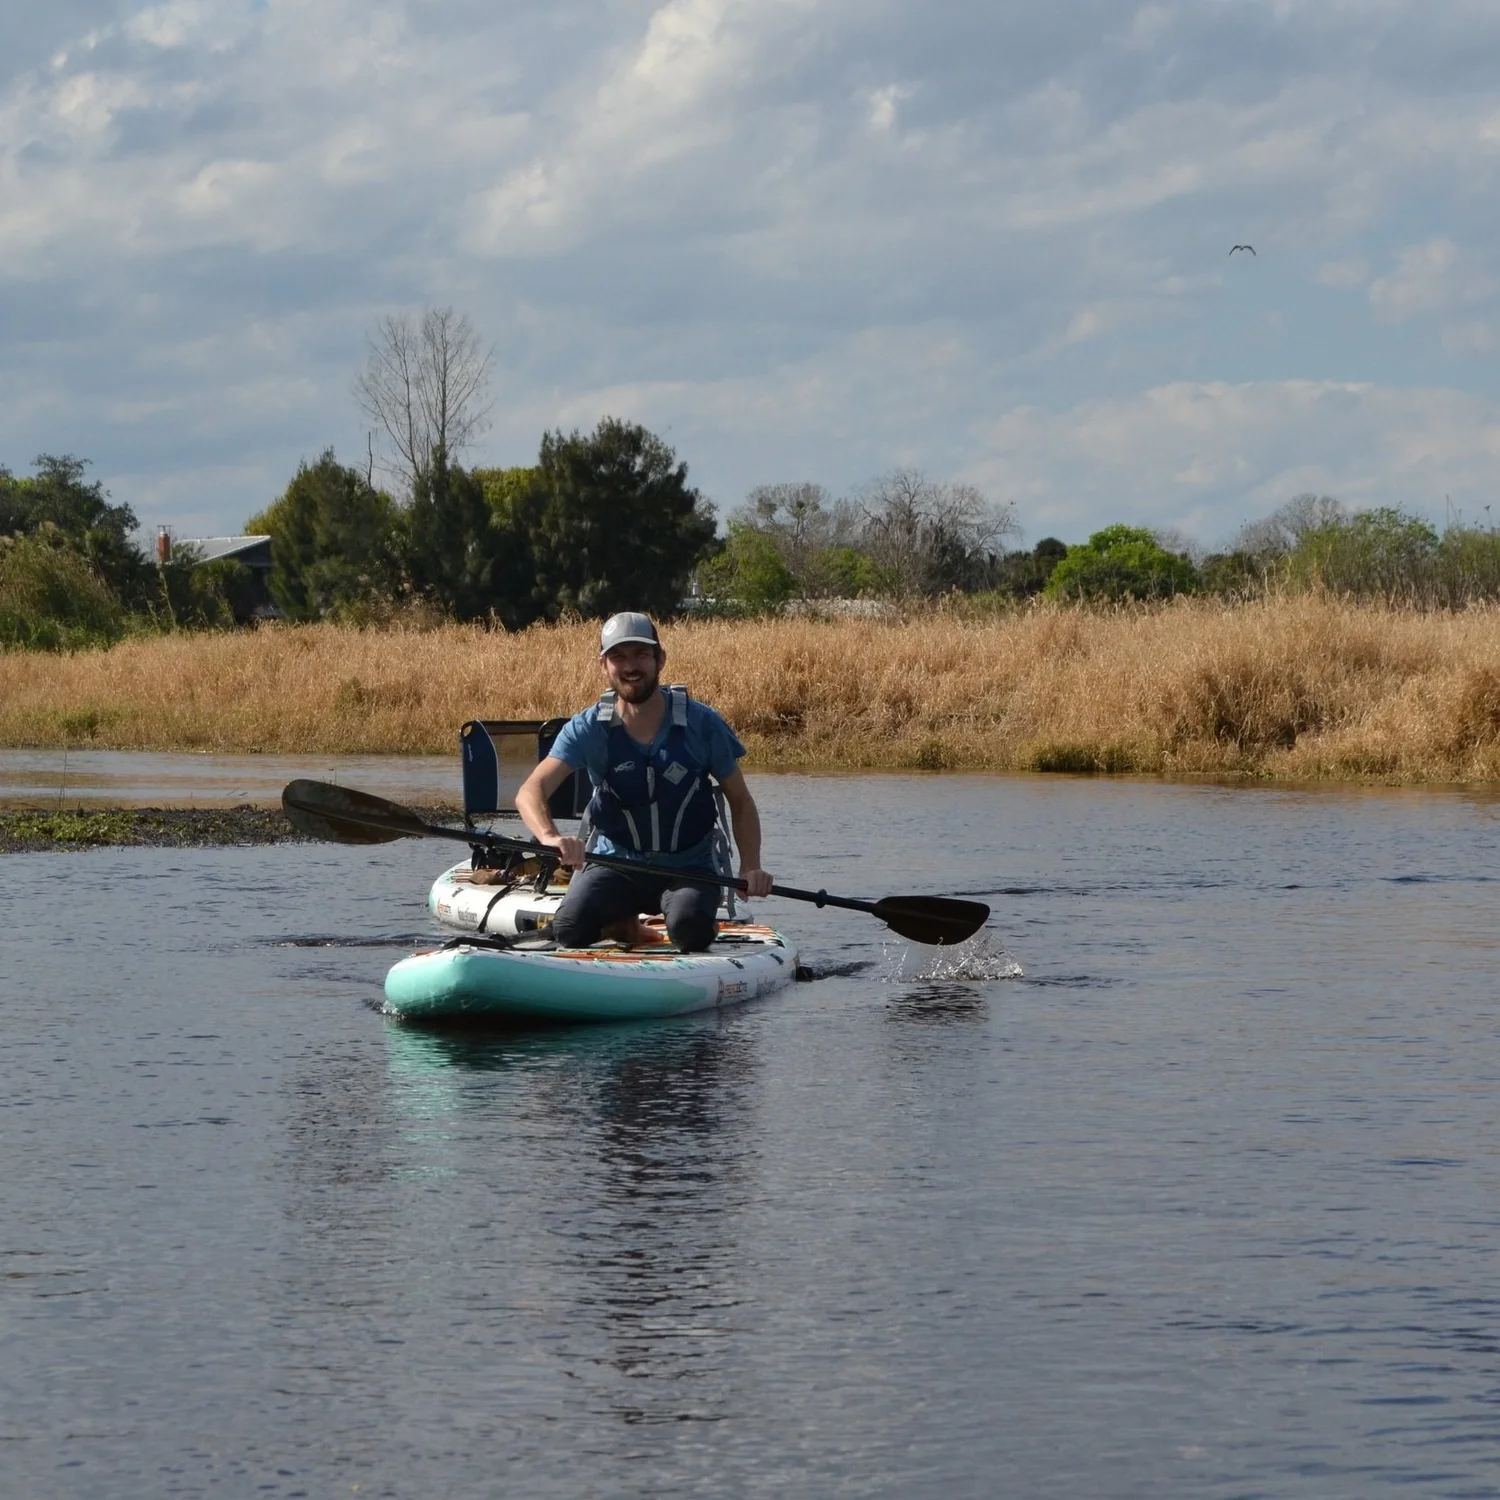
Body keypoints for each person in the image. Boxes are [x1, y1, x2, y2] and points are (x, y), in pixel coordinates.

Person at [515, 611, 774, 951]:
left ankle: (699, 916)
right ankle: (623, 924)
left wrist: (751, 866)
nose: (630, 666)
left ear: (660, 659)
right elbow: (530, 791)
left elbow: (740, 801)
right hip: (616, 863)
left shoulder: (703, 724)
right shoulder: (588, 728)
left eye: (641, 654)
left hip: (688, 866)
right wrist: (550, 837)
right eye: (618, 657)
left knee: (690, 932)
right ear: (603, 665)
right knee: (570, 930)